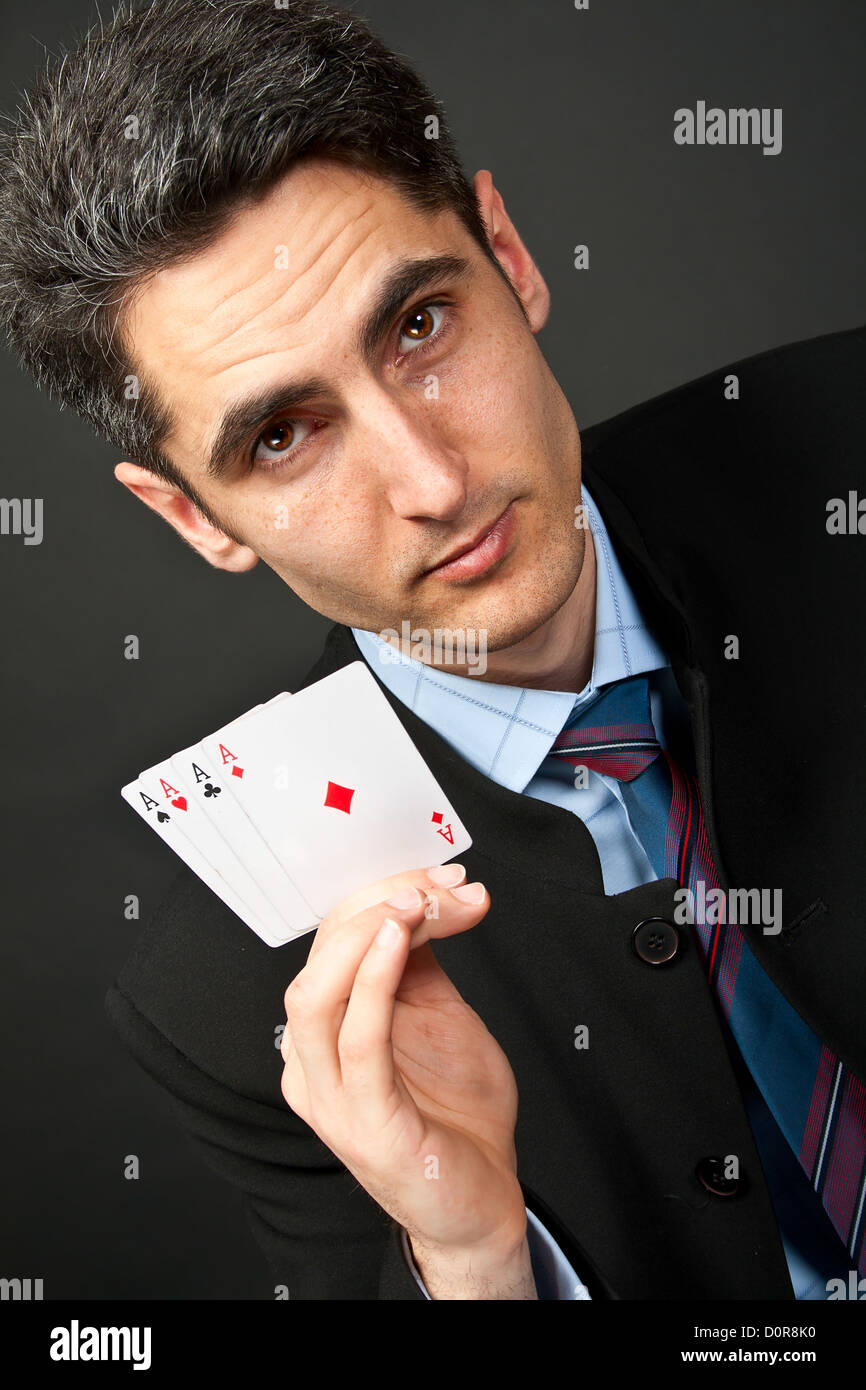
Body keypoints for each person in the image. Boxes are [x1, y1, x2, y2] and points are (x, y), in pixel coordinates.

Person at [0, 0, 863, 1300]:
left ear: (507, 255)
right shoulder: (227, 993)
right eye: (282, 435)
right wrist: (472, 1257)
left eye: (417, 327)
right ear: (193, 515)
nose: (430, 479)